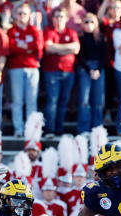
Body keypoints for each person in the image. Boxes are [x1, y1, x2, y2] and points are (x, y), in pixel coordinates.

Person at [7, 2, 43, 138]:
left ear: (29, 16)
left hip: (32, 68)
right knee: (17, 100)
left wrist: (23, 46)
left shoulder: (34, 30)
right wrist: (27, 47)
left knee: (31, 101)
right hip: (16, 68)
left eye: (25, 14)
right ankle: (19, 129)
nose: (22, 16)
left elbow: (38, 46)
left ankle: (31, 130)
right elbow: (11, 48)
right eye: (20, 13)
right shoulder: (11, 31)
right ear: (15, 15)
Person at [42, 7, 79, 138]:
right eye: (56, 16)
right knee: (52, 101)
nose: (59, 19)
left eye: (61, 16)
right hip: (51, 71)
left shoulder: (71, 32)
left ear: (66, 18)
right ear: (52, 18)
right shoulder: (48, 31)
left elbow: (76, 49)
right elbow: (48, 48)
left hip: (68, 72)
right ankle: (50, 130)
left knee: (63, 102)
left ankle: (59, 129)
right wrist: (67, 48)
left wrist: (57, 49)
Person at [76, 13, 107, 135]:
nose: (89, 24)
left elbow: (104, 56)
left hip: (99, 68)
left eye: (92, 22)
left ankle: (97, 128)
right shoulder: (80, 37)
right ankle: (84, 128)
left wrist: (98, 69)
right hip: (85, 68)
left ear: (96, 24)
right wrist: (89, 70)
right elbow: (79, 56)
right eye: (86, 22)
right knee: (84, 100)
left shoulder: (101, 38)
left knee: (99, 100)